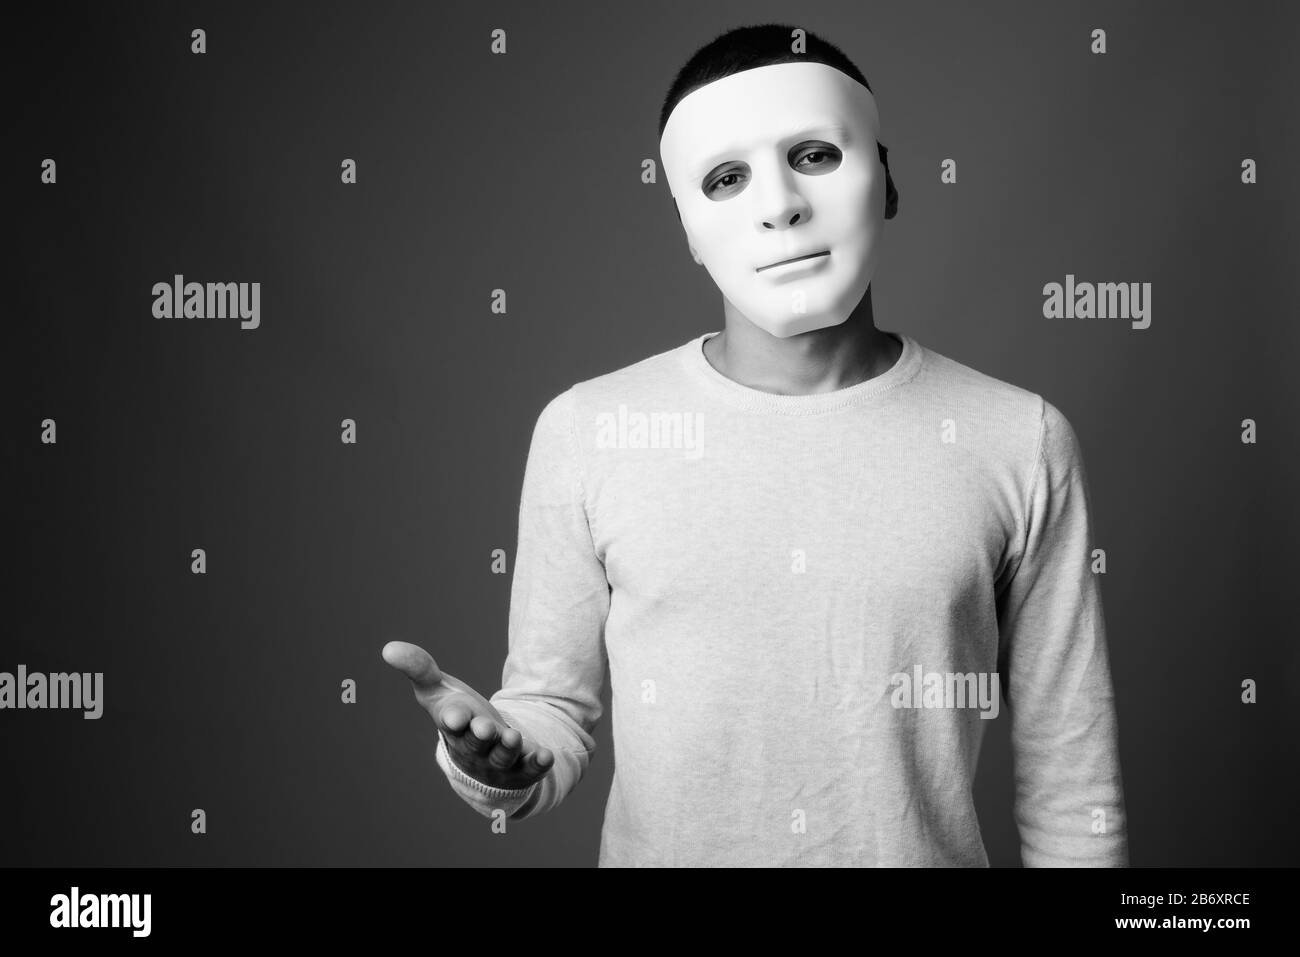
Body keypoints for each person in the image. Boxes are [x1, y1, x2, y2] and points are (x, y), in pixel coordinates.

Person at [383, 22, 1128, 867]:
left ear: (887, 181)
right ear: (689, 227)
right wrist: (494, 758)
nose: (779, 204)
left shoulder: (1018, 438)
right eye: (727, 177)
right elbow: (551, 712)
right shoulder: (588, 430)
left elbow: (1073, 780)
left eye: (814, 154)